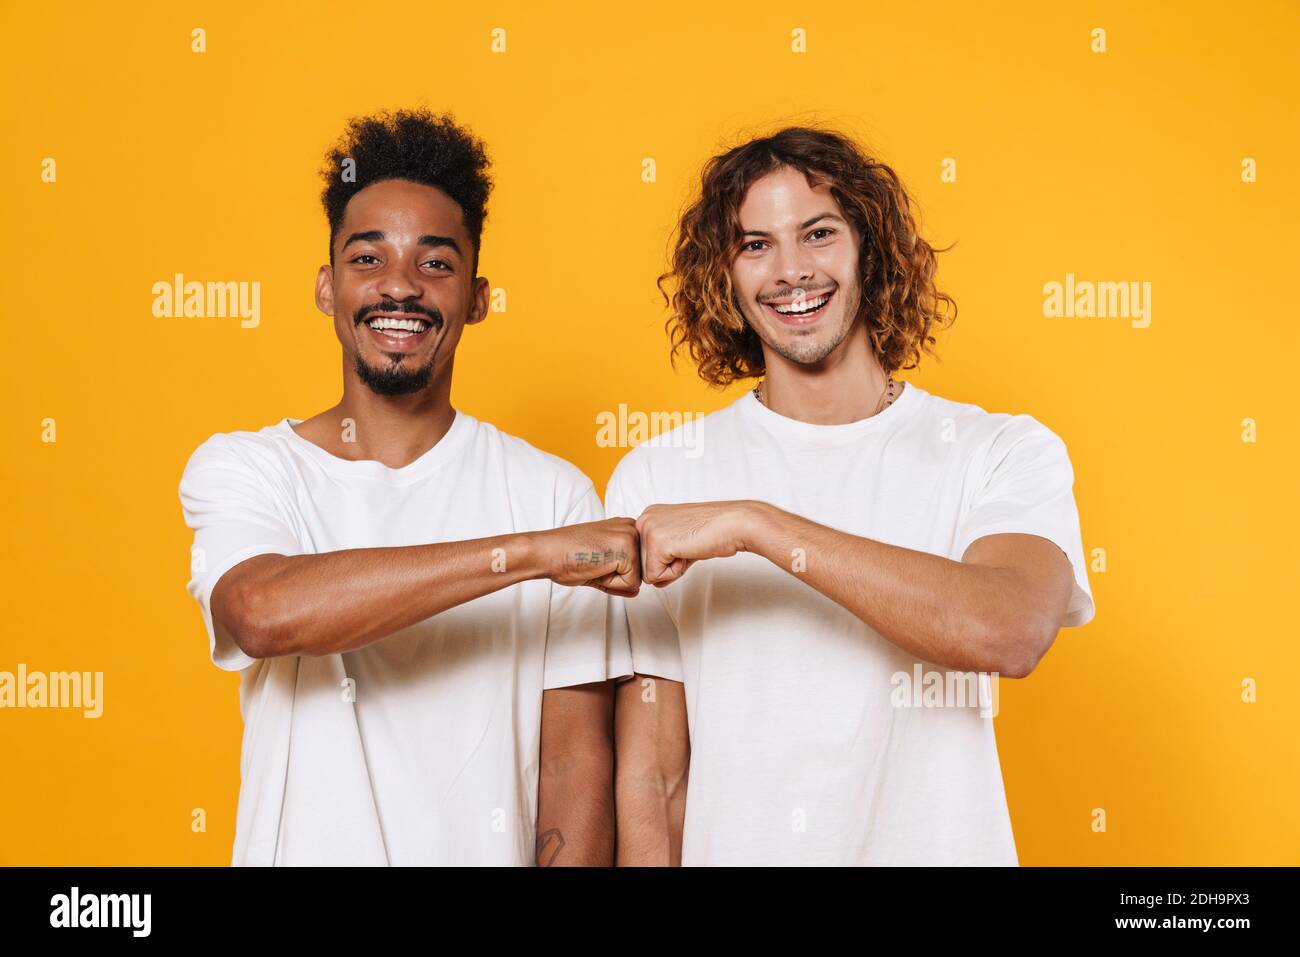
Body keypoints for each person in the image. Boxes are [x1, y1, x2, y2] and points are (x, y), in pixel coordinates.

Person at [608, 126, 1096, 866]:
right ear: (724, 276)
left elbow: (1010, 630)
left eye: (819, 233)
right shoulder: (660, 477)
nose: (792, 271)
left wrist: (758, 525)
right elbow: (654, 774)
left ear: (871, 249)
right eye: (756, 244)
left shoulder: (999, 450)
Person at [178, 109, 638, 866]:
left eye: (435, 264)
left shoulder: (556, 495)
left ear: (477, 298)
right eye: (368, 258)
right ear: (326, 287)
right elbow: (261, 613)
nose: (399, 287)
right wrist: (530, 554)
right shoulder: (248, 467)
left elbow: (572, 763)